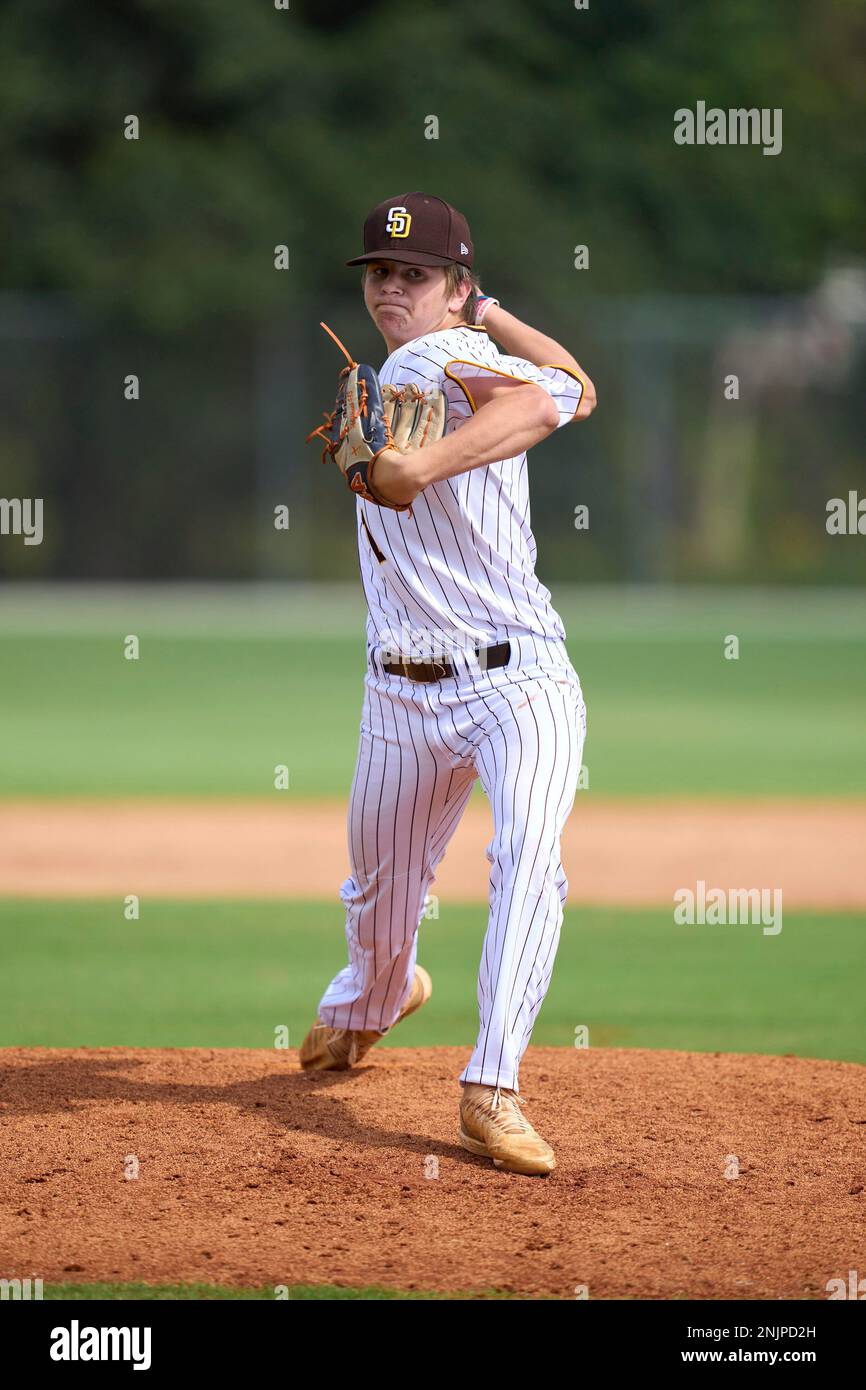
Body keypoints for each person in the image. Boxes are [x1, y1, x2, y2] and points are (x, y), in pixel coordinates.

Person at [299, 192, 596, 1176]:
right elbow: (571, 383)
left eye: (415, 273)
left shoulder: (434, 362)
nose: (391, 285)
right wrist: (495, 315)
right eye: (380, 272)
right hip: (398, 695)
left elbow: (549, 400)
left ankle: (491, 1085)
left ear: (453, 287)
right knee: (378, 893)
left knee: (527, 858)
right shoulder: (411, 363)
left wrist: (418, 462)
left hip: (522, 677)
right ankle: (372, 1000)